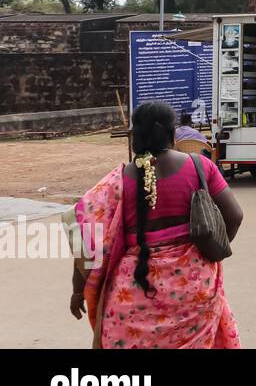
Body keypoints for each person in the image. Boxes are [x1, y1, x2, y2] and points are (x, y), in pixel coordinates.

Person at [64, 100, 243, 348]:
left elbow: (86, 241)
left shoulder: (117, 181)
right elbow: (235, 216)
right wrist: (209, 253)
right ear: (172, 133)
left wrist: (77, 291)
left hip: (134, 294)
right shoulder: (200, 166)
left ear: (135, 136)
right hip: (195, 287)